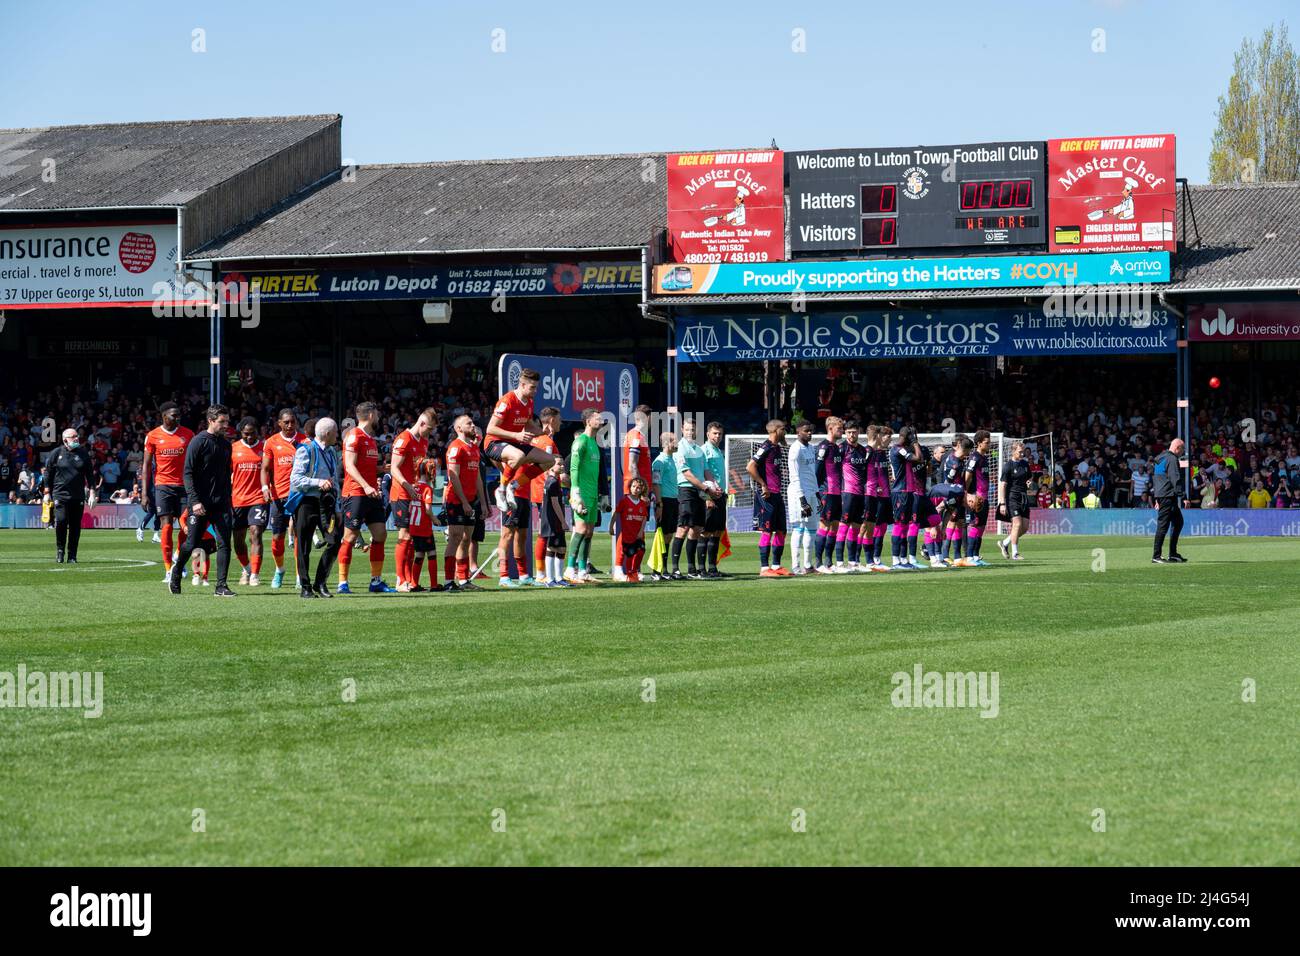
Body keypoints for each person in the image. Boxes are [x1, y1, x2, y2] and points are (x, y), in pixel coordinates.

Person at [168, 405, 236, 596]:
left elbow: (224, 474)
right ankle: (176, 572)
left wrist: (228, 498)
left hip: (221, 503)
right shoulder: (198, 442)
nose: (226, 425)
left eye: (227, 422)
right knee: (191, 543)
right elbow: (187, 474)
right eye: (222, 422)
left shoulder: (226, 445)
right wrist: (195, 501)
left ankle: (221, 586)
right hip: (200, 504)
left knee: (224, 543)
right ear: (211, 421)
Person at [338, 402, 394, 595]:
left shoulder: (370, 439)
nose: (379, 417)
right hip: (356, 493)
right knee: (350, 537)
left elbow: (363, 466)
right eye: (377, 413)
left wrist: (380, 470)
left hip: (371, 494)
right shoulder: (354, 435)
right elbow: (350, 466)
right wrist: (366, 485)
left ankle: (376, 581)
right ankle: (342, 582)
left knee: (380, 535)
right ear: (371, 415)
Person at [483, 368, 558, 507]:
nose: (535, 391)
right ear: (522, 385)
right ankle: (501, 489)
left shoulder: (529, 402)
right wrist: (516, 435)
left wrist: (543, 432)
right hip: (494, 443)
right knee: (518, 456)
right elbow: (490, 429)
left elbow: (529, 425)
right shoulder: (507, 400)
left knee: (549, 460)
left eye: (536, 388)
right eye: (532, 388)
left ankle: (514, 485)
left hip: (513, 443)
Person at [290, 417, 344, 597]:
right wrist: (318, 482)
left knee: (335, 540)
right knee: (304, 546)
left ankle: (320, 582)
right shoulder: (306, 450)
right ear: (328, 434)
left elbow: (335, 481)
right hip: (306, 503)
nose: (338, 435)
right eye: (336, 432)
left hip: (326, 504)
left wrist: (337, 507)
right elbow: (296, 480)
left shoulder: (331, 452)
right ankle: (305, 587)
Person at [143, 401, 194, 580]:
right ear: (164, 416)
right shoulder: (153, 436)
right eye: (174, 415)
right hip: (163, 485)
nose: (178, 417)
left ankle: (178, 557)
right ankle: (168, 570)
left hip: (184, 486)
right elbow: (147, 465)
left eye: (179, 414)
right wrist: (144, 493)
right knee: (166, 526)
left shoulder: (188, 434)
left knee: (186, 525)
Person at [389, 409, 436, 593]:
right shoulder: (404, 439)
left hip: (414, 495)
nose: (430, 433)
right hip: (401, 493)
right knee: (405, 535)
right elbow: (394, 468)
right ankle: (400, 579)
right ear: (422, 423)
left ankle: (410, 581)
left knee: (412, 539)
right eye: (429, 429)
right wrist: (408, 486)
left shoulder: (423, 442)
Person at [261, 409, 306, 589]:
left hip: (300, 494)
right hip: (279, 496)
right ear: (279, 423)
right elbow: (265, 468)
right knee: (277, 537)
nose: (289, 425)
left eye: (292, 422)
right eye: (286, 422)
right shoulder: (271, 442)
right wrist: (265, 488)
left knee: (299, 535)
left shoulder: (305, 441)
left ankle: (298, 575)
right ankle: (279, 570)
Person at [442, 413, 484, 592]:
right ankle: (448, 581)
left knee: (467, 539)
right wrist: (464, 502)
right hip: (456, 500)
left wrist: (482, 502)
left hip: (471, 501)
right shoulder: (455, 447)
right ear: (459, 428)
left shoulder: (474, 448)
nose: (473, 425)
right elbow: (454, 478)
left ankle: (464, 579)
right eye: (469, 423)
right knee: (455, 538)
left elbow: (477, 478)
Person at [43, 428, 96, 564]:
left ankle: (72, 555)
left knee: (75, 526)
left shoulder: (83, 454)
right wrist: (47, 493)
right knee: (61, 521)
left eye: (77, 436)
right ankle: (60, 551)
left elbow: (90, 474)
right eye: (73, 437)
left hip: (78, 495)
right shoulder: (57, 453)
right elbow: (48, 473)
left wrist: (92, 493)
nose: (76, 438)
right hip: (60, 494)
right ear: (65, 439)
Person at [564, 407, 603, 584]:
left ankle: (582, 571)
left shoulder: (595, 443)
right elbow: (573, 467)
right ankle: (569, 569)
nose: (601, 419)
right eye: (597, 417)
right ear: (588, 421)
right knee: (580, 529)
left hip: (593, 494)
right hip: (582, 493)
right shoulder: (581, 441)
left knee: (589, 532)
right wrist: (576, 492)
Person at [747, 419, 790, 577]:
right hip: (767, 494)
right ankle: (764, 568)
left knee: (781, 530)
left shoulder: (777, 448)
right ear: (776, 430)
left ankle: (776, 566)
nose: (785, 432)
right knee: (767, 530)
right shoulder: (765, 447)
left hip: (777, 494)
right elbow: (750, 466)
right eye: (783, 429)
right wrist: (763, 485)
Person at [669, 416, 710, 580]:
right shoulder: (680, 448)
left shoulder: (699, 449)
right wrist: (704, 486)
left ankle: (692, 569)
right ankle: (675, 569)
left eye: (693, 429)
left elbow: (706, 470)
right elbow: (686, 473)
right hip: (686, 489)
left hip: (700, 490)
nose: (690, 432)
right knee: (684, 527)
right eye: (687, 429)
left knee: (697, 529)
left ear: (697, 430)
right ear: (682, 430)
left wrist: (714, 485)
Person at [230, 417, 267, 586]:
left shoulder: (265, 448)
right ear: (241, 433)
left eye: (252, 434)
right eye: (246, 434)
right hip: (237, 499)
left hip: (258, 498)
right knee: (238, 540)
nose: (250, 437)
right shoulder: (233, 448)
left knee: (256, 533)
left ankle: (255, 575)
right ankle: (246, 569)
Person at [529, 407, 562, 583]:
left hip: (540, 489)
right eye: (559, 419)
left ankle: (543, 572)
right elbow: (547, 467)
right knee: (546, 532)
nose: (561, 422)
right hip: (545, 491)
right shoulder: (546, 443)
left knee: (546, 532)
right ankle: (541, 573)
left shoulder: (542, 440)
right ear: (551, 421)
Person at [887, 426, 922, 570]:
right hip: (900, 491)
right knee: (899, 525)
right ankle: (896, 561)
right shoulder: (898, 449)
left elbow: (921, 459)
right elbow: (918, 458)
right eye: (912, 436)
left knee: (905, 526)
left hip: (907, 491)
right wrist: (914, 443)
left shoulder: (903, 449)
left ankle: (903, 559)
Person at [786, 420, 819, 574]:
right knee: (799, 528)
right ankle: (795, 566)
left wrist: (818, 494)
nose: (809, 433)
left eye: (811, 430)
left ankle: (807, 565)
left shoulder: (811, 448)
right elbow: (794, 475)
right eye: (806, 431)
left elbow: (812, 473)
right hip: (799, 493)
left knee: (812, 528)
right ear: (798, 432)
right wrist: (802, 499)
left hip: (812, 491)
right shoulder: (795, 449)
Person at [813, 416, 845, 573]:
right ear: (830, 429)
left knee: (834, 526)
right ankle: (818, 563)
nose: (842, 431)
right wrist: (818, 493)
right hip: (827, 492)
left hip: (837, 493)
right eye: (839, 428)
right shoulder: (823, 447)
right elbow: (816, 472)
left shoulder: (837, 448)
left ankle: (829, 562)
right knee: (824, 525)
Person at [1151, 437, 1187, 564]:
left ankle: (1172, 554)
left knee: (1178, 522)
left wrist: (1156, 497)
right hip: (1167, 496)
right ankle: (1156, 556)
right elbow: (1175, 479)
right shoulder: (1172, 459)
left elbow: (1156, 478)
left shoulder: (1160, 458)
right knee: (1163, 526)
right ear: (1178, 448)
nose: (1182, 454)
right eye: (1182, 451)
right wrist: (1183, 497)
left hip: (1163, 496)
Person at [649, 433, 679, 582]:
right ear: (667, 443)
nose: (678, 443)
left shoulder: (672, 460)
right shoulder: (659, 462)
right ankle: (657, 570)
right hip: (664, 501)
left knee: (668, 535)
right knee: (662, 536)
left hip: (673, 500)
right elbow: (656, 484)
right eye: (675, 440)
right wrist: (659, 503)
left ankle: (664, 569)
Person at [699, 421, 728, 578]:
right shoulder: (703, 451)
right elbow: (702, 473)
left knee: (717, 531)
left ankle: (712, 568)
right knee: (706, 531)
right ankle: (701, 569)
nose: (718, 436)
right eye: (715, 433)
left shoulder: (717, 451)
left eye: (720, 434)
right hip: (710, 495)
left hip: (720, 495)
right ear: (707, 434)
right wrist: (706, 496)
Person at [539, 458, 573, 587]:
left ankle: (558, 578)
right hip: (554, 520)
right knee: (553, 547)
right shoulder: (552, 482)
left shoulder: (553, 481)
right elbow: (554, 503)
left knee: (560, 547)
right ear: (551, 467)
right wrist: (563, 521)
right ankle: (550, 579)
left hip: (552, 519)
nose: (562, 466)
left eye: (562, 463)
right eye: (559, 464)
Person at [407, 458, 440, 592]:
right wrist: (435, 519)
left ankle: (414, 584)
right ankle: (434, 585)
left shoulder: (413, 486)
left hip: (413, 526)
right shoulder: (427, 489)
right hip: (424, 527)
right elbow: (427, 509)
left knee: (419, 554)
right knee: (432, 553)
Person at [610, 476, 651, 582]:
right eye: (633, 486)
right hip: (627, 534)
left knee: (641, 551)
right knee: (627, 553)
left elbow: (644, 518)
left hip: (638, 534)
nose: (635, 489)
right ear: (630, 487)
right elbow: (616, 514)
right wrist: (611, 526)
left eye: (638, 487)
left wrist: (641, 531)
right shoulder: (624, 501)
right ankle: (626, 573)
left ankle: (634, 571)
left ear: (642, 489)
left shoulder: (642, 503)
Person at [997, 440, 1032, 561]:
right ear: (1013, 451)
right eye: (1020, 452)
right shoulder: (1008, 466)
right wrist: (1002, 503)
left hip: (1023, 497)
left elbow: (1028, 478)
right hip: (1012, 498)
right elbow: (1002, 485)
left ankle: (1004, 543)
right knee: (1017, 524)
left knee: (1025, 527)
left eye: (1023, 452)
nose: (1022, 454)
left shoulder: (1025, 464)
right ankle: (1015, 553)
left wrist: (1028, 482)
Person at [964, 430, 993, 564]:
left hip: (984, 498)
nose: (989, 445)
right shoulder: (974, 457)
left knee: (981, 527)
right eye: (986, 443)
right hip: (976, 498)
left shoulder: (985, 458)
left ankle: (976, 556)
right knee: (975, 526)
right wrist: (967, 493)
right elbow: (968, 476)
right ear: (979, 444)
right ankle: (969, 556)